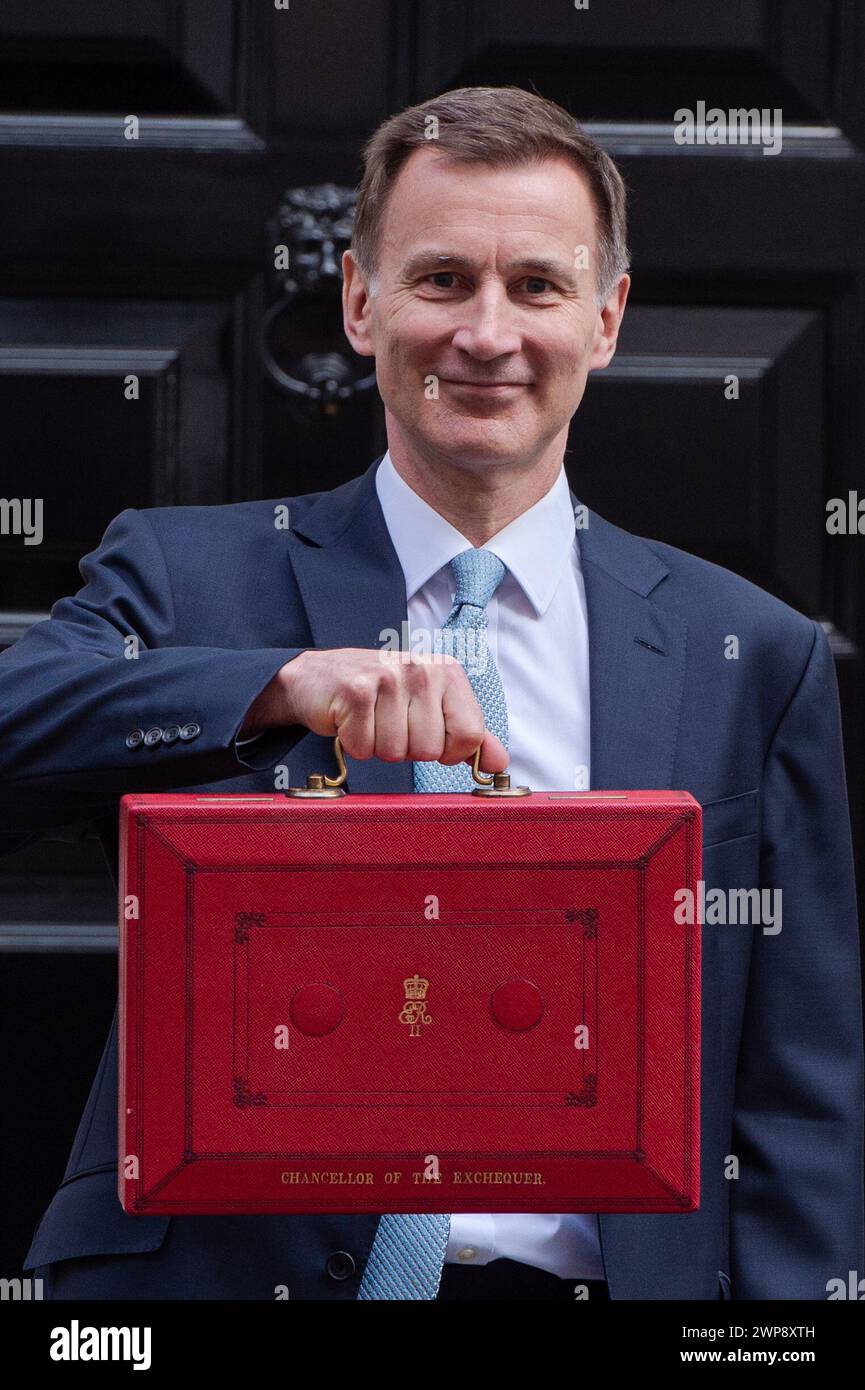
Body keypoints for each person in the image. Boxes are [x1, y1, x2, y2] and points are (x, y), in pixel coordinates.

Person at [2, 85, 862, 1301]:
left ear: (607, 318)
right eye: (442, 279)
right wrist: (278, 687)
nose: (487, 333)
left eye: (538, 287)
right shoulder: (184, 574)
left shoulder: (749, 649)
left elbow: (800, 1088)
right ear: (361, 301)